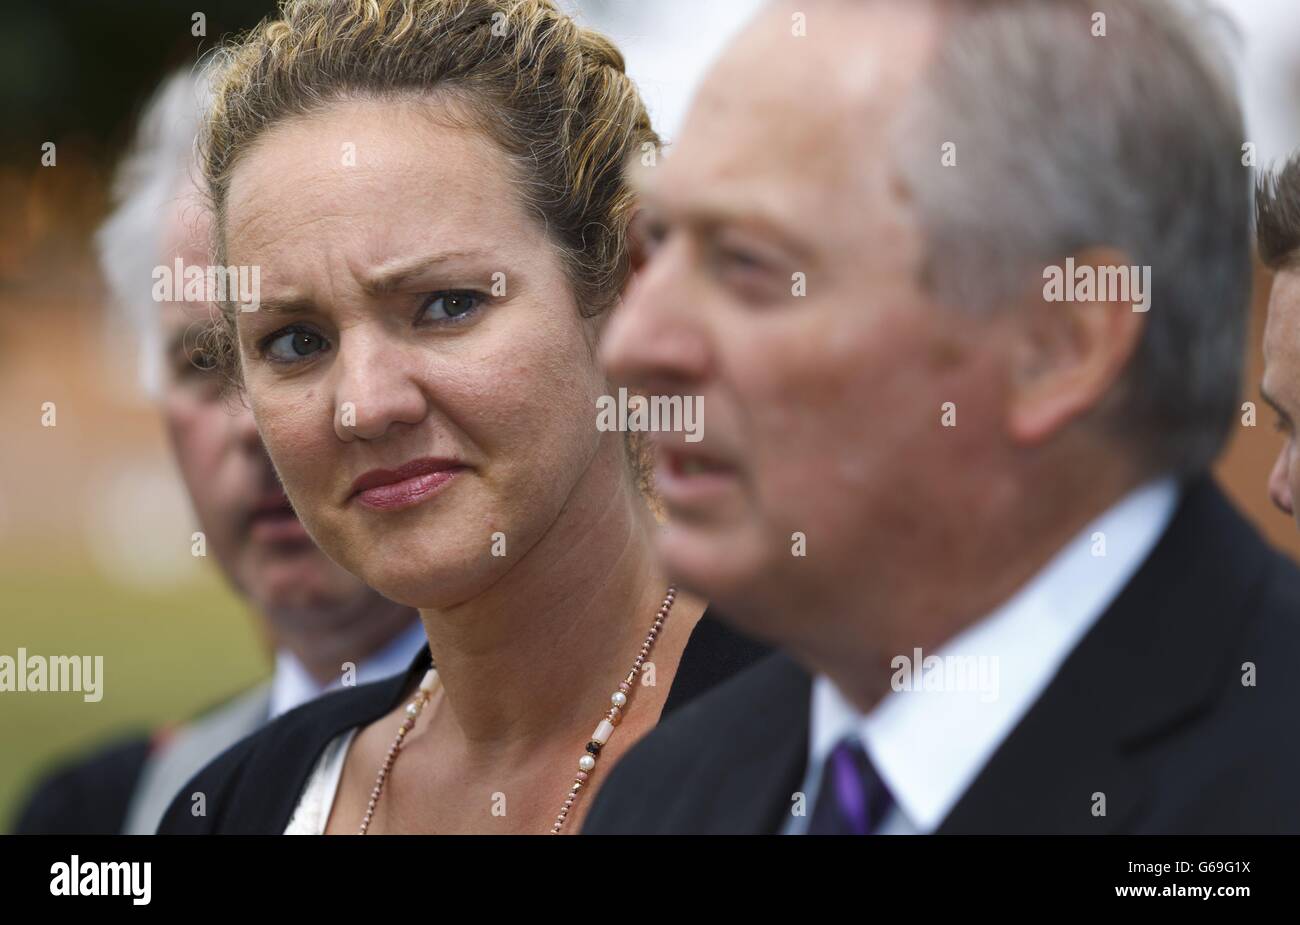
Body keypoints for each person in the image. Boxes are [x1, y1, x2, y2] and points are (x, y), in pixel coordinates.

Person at [586, 0, 1300, 834]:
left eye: (747, 263)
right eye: (658, 247)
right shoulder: (666, 793)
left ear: (1057, 342)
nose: (634, 346)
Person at [157, 0, 767, 835]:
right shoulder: (242, 806)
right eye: (296, 340)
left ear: (627, 286)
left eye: (447, 305)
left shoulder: (829, 752)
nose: (366, 404)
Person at [13, 69, 428, 836]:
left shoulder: (641, 767)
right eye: (204, 364)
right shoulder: (100, 821)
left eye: (303, 343)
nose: (258, 420)